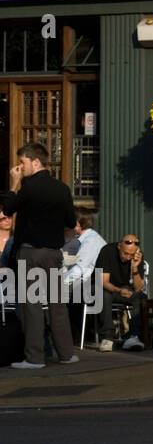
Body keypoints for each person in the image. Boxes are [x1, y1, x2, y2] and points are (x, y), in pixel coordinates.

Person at [8, 142, 78, 368]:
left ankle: (35, 357)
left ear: (35, 161)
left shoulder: (28, 188)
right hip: (54, 254)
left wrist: (14, 183)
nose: (20, 167)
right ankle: (66, 354)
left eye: (23, 162)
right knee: (57, 305)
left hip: (31, 253)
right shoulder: (62, 188)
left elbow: (8, 208)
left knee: (32, 305)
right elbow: (70, 222)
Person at [93, 235, 150, 353]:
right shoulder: (107, 251)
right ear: (119, 246)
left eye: (131, 254)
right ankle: (107, 338)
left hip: (122, 289)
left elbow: (138, 288)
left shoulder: (137, 255)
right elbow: (103, 282)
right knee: (105, 294)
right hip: (101, 287)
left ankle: (133, 336)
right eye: (125, 253)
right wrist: (119, 290)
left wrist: (134, 268)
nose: (128, 257)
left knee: (139, 297)